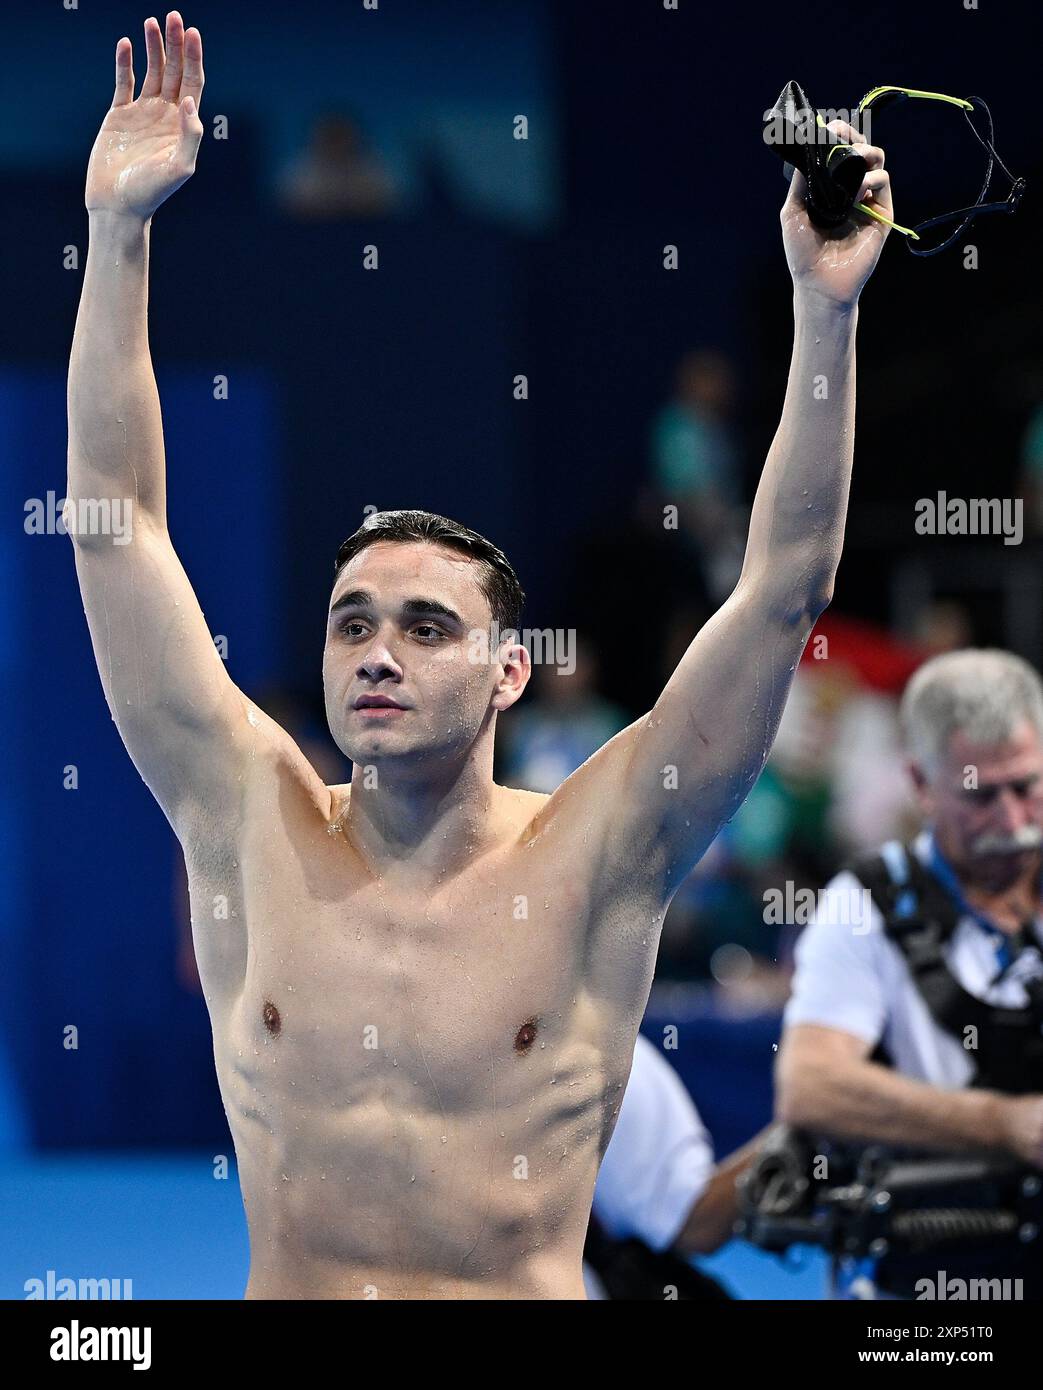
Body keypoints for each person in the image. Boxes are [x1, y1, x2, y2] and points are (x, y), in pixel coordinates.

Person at [67, 11, 891, 1299]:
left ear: (511, 670)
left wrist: (821, 312)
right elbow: (115, 533)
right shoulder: (244, 817)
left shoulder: (597, 849)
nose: (375, 654)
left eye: (424, 625)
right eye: (350, 623)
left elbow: (785, 592)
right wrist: (118, 234)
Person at [776, 648, 1043, 1299]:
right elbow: (812, 1088)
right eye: (980, 795)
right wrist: (1004, 1125)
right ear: (921, 785)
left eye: (1027, 787)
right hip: (920, 1285)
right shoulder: (864, 904)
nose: (1011, 822)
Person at [585, 1032, 763, 1299]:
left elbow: (690, 1221)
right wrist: (803, 1126)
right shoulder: (601, 1057)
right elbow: (694, 1226)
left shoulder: (606, 1059)